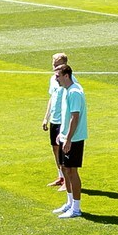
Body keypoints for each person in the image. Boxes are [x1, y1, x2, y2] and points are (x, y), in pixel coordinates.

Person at [53, 63, 87, 220]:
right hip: (66, 137)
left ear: (66, 76)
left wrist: (69, 139)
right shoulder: (67, 90)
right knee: (66, 170)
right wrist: (61, 133)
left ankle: (76, 208)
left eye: (58, 76)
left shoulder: (74, 92)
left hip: (74, 139)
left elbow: (75, 117)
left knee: (72, 171)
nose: (56, 79)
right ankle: (69, 203)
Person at [44, 52, 71, 191]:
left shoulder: (69, 80)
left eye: (57, 64)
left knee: (63, 151)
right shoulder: (53, 79)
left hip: (63, 120)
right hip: (54, 119)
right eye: (53, 64)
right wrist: (46, 117)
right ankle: (61, 176)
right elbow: (52, 98)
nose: (54, 67)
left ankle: (68, 181)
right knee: (55, 149)